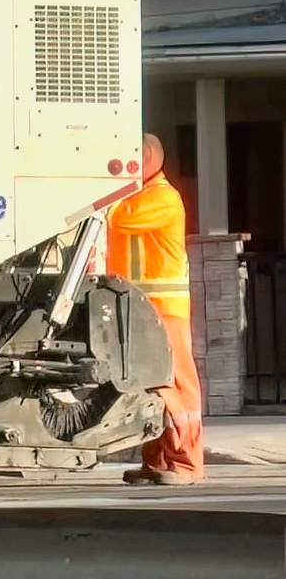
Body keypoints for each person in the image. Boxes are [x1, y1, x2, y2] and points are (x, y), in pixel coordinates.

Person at [107, 132, 204, 485]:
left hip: (164, 309)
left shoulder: (161, 198)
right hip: (143, 307)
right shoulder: (144, 196)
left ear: (144, 160)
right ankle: (157, 462)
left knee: (174, 386)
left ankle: (186, 464)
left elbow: (114, 215)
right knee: (150, 387)